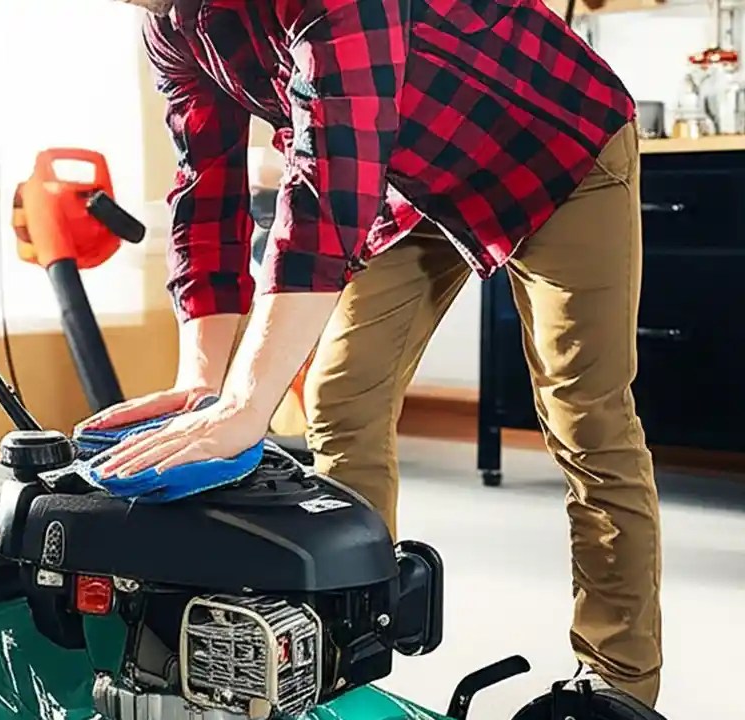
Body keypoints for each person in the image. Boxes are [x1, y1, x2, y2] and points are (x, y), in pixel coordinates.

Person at [77, 0, 662, 709]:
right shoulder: (169, 23)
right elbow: (206, 188)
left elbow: (325, 189)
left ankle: (619, 683)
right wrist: (205, 386)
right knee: (342, 398)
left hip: (552, 147)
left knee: (585, 418)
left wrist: (246, 403)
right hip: (410, 178)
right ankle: (339, 645)